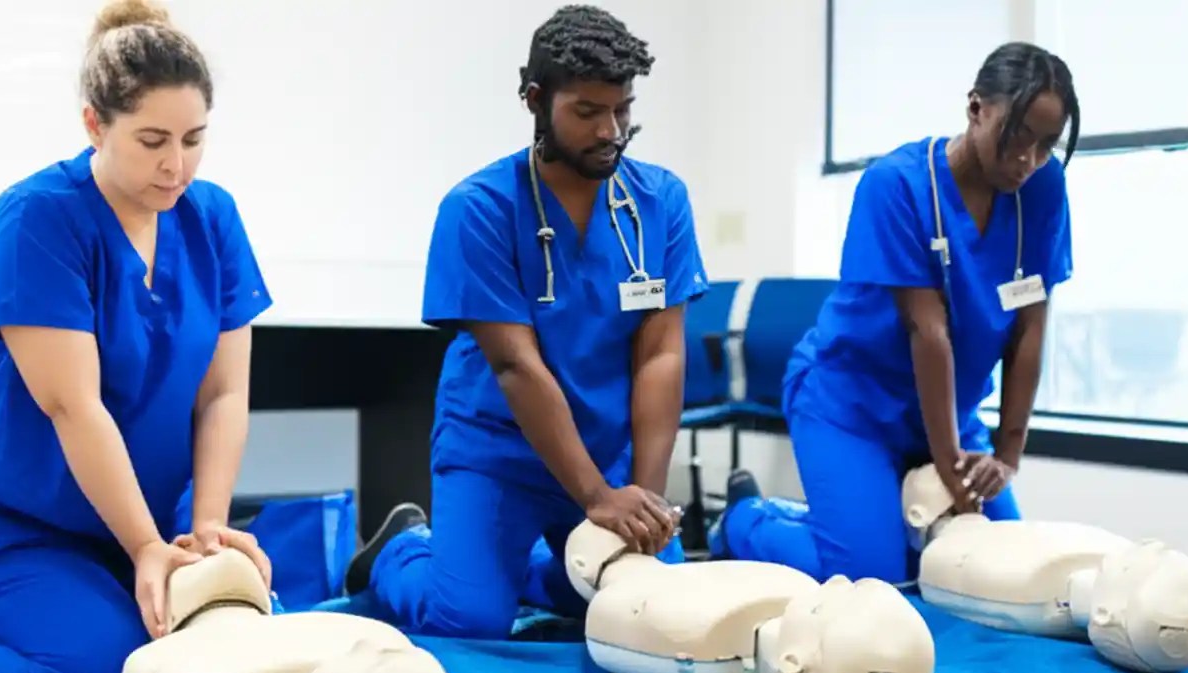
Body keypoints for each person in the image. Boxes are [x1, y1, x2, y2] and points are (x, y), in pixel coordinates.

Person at [0, 0, 273, 673]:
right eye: (152, 140)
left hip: (127, 510)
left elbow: (223, 397)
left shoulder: (213, 216)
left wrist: (206, 529)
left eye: (193, 139)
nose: (175, 164)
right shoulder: (39, 219)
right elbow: (72, 406)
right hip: (1, 515)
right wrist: (148, 548)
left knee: (224, 649)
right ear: (94, 123)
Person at [345, 5, 708, 639]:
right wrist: (596, 499)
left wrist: (642, 504)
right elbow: (517, 366)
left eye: (622, 109)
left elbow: (661, 357)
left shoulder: (660, 202)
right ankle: (401, 551)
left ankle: (534, 571)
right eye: (588, 112)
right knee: (470, 619)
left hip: (608, 452)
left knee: (645, 610)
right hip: (498, 451)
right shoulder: (479, 208)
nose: (611, 131)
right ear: (536, 100)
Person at [709, 41, 1080, 586]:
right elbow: (926, 333)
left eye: (1047, 144)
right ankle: (744, 521)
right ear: (977, 108)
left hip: (950, 413)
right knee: (868, 578)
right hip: (850, 407)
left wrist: (1007, 454)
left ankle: (852, 524)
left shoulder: (1041, 188)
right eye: (1017, 134)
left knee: (1005, 570)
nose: (1028, 159)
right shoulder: (897, 185)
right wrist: (951, 466)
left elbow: (1030, 327)